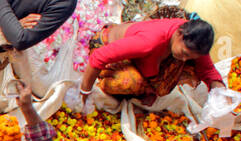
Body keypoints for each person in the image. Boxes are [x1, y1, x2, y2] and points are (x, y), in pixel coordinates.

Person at [79, 8, 229, 107]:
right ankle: (111, 87)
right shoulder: (149, 42)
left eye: (189, 56)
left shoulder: (192, 39)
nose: (184, 59)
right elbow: (99, 57)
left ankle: (147, 86)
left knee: (191, 69)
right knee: (130, 82)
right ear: (179, 35)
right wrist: (84, 92)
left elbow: (207, 69)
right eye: (184, 54)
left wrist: (221, 93)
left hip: (143, 57)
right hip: (107, 45)